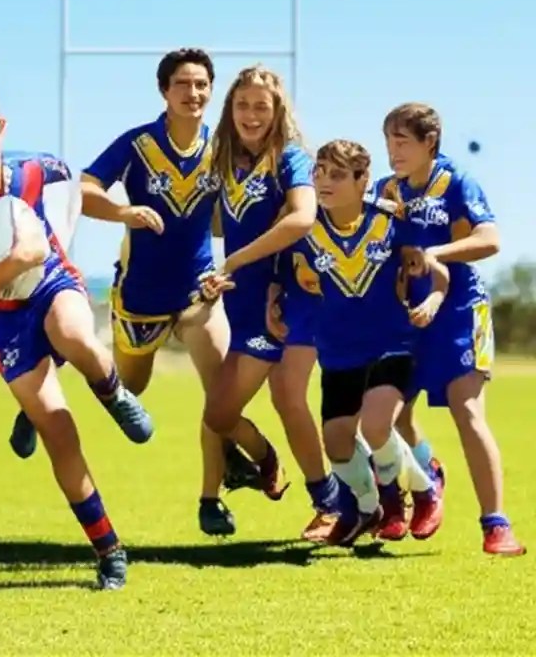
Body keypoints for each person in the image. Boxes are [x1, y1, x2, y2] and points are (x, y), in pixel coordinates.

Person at [0, 79, 153, 590]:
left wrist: (118, 212)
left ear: (0, 127)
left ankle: (114, 394)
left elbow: (80, 189)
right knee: (59, 431)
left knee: (72, 329)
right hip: (5, 319)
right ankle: (109, 549)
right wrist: (13, 262)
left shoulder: (37, 168)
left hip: (53, 281)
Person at [73, 48, 287, 537]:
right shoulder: (137, 144)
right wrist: (123, 213)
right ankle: (39, 401)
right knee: (130, 390)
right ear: (164, 91)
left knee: (219, 402)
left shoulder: (225, 147)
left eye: (202, 85)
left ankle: (217, 494)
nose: (193, 94)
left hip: (200, 293)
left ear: (213, 91)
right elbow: (82, 190)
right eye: (182, 85)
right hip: (138, 300)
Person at [198, 65, 343, 543]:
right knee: (218, 417)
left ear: (278, 110)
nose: (251, 114)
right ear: (230, 110)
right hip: (242, 303)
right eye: (243, 105)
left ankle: (330, 503)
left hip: (289, 299)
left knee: (287, 396)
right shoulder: (222, 160)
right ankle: (265, 458)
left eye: (262, 106)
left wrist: (236, 258)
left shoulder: (292, 159)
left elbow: (303, 217)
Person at [374, 103, 526, 556]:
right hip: (406, 317)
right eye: (389, 141)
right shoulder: (387, 191)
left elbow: (491, 239)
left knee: (468, 411)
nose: (394, 151)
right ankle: (427, 473)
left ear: (429, 143)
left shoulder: (456, 181)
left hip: (460, 312)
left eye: (403, 142)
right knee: (392, 414)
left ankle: (496, 524)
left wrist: (436, 252)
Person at [282, 139, 445, 547]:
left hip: (392, 343)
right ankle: (368, 506)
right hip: (337, 350)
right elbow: (287, 277)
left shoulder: (391, 223)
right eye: (319, 172)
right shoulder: (303, 227)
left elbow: (432, 264)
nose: (324, 181)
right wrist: (273, 298)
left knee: (376, 424)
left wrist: (432, 298)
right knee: (336, 443)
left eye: (337, 174)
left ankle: (416, 495)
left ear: (362, 181)